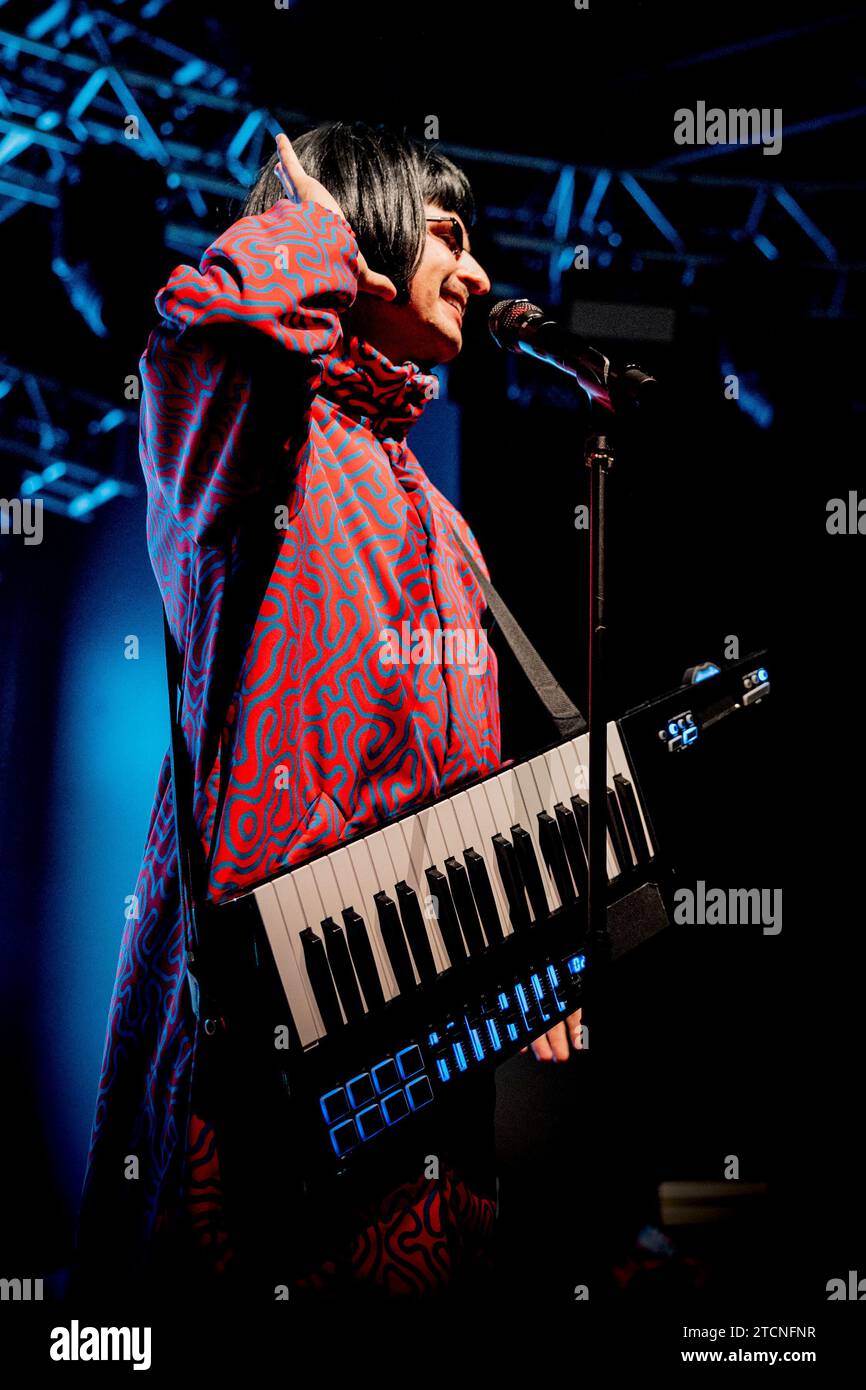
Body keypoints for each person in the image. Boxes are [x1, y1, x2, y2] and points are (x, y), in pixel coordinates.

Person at [76, 121, 582, 1304]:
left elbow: (464, 792)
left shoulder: (446, 527)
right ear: (363, 235)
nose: (479, 273)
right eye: (447, 236)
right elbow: (218, 328)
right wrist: (312, 233)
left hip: (423, 1061)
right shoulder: (256, 439)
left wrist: (520, 959)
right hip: (265, 1070)